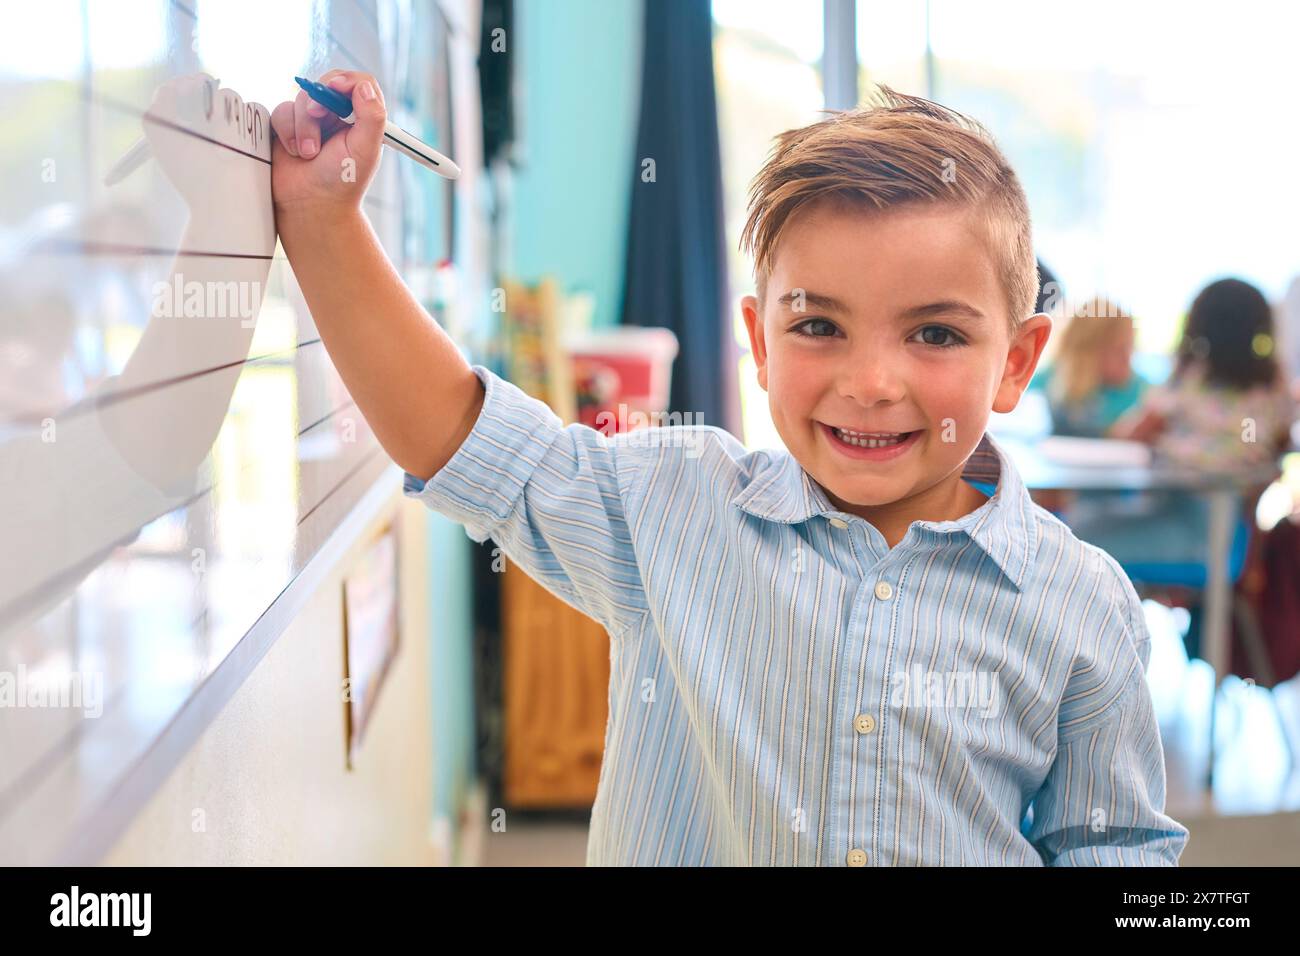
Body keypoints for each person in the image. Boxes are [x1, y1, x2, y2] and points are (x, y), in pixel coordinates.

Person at [269, 71, 1186, 866]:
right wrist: (322, 220)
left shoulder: (1079, 604)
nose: (870, 384)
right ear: (756, 338)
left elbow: (1114, 848)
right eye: (818, 326)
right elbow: (464, 438)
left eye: (935, 333)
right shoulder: (672, 504)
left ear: (1018, 363)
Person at [1067, 278, 1295, 566]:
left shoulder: (1190, 377)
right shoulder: (1274, 384)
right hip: (1234, 538)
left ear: (1198, 325)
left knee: (1073, 532)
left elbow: (1130, 435)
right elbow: (1277, 446)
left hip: (1184, 528)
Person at [1030, 298, 1149, 438]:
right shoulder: (1044, 383)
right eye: (1119, 350)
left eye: (1131, 348)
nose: (1128, 359)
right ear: (1088, 351)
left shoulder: (1141, 392)